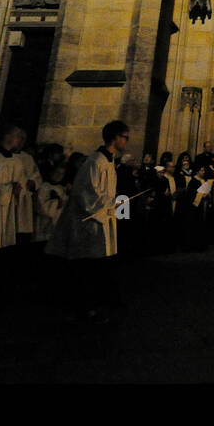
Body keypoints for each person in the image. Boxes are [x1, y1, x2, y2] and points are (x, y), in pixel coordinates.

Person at [47, 120, 126, 322]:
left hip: (102, 221)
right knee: (87, 268)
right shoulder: (95, 162)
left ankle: (97, 305)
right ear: (115, 137)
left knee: (98, 266)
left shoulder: (108, 161)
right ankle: (85, 309)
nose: (126, 141)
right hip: (89, 223)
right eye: (124, 137)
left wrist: (113, 204)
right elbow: (86, 195)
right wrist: (109, 205)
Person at [10, 140, 43, 248]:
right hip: (11, 196)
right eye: (18, 138)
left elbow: (37, 176)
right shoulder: (6, 157)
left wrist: (34, 182)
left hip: (25, 200)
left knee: (22, 231)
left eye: (22, 139)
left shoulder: (28, 158)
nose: (20, 142)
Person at [34, 165, 68, 244]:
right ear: (51, 172)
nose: (59, 175)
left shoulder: (61, 188)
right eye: (57, 172)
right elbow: (41, 208)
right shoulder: (43, 187)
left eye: (62, 174)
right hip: (43, 225)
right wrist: (57, 203)